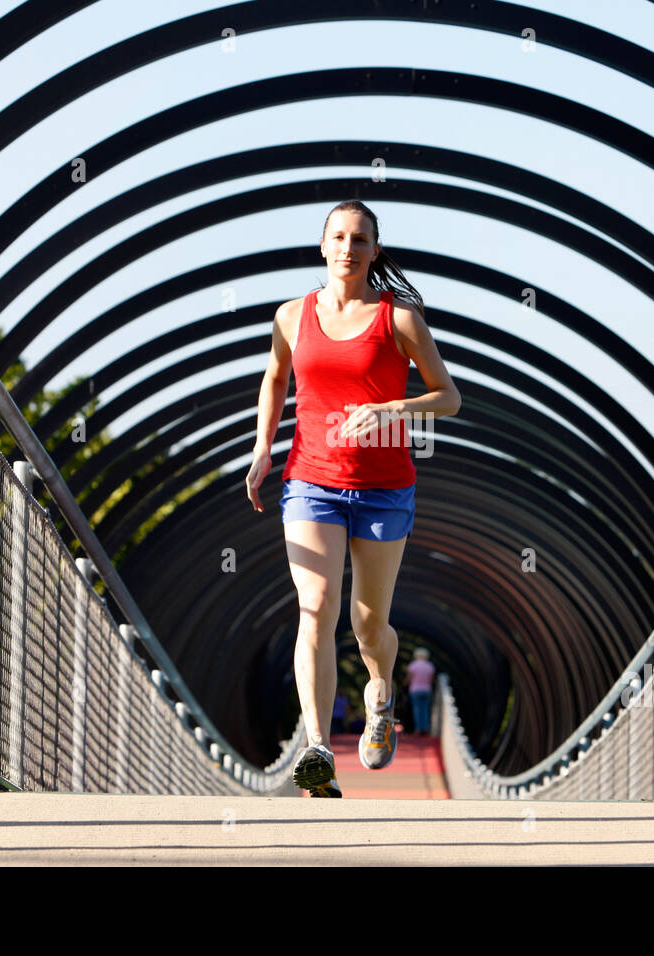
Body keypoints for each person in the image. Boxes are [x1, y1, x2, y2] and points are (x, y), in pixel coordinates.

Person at [245, 200, 460, 796]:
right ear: (322, 246)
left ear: (374, 250)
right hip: (310, 480)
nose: (347, 247)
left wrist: (392, 408)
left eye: (359, 238)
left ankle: (381, 694)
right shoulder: (292, 316)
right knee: (314, 606)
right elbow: (275, 377)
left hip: (384, 491)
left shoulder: (400, 320)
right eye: (338, 236)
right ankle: (317, 749)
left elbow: (449, 397)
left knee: (369, 628)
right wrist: (264, 447)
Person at [405, 647, 436, 736]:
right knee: (425, 709)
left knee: (417, 709)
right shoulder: (430, 666)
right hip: (427, 690)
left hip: (415, 690)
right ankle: (425, 728)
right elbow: (431, 680)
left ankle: (418, 729)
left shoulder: (413, 665)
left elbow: (408, 679)